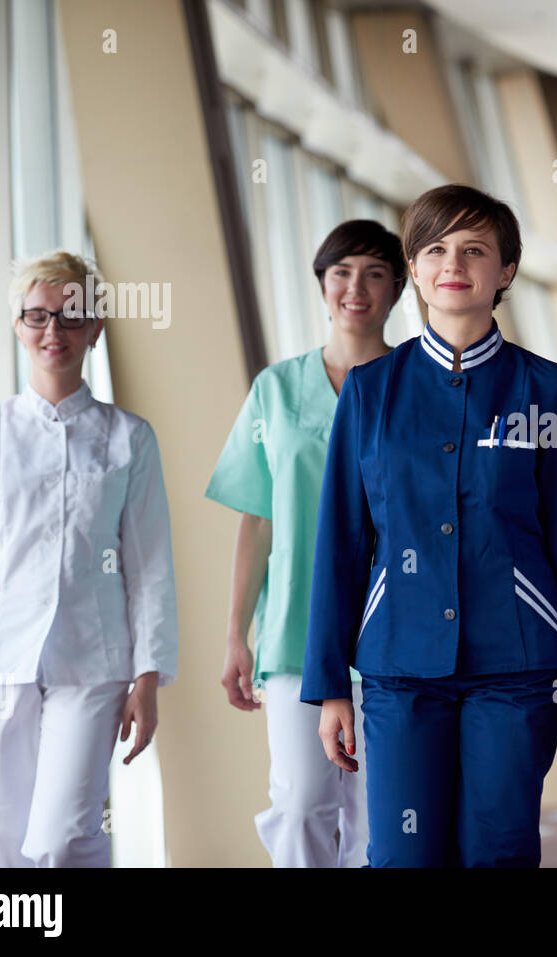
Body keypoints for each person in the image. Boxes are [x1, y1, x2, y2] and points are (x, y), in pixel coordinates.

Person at [301, 184, 557, 867]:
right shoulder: (371, 390)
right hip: (399, 668)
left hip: (519, 665)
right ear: (414, 267)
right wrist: (329, 686)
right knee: (404, 853)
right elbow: (342, 543)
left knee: (496, 851)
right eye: (435, 248)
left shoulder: (550, 391)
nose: (453, 262)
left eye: (475, 249)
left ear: (504, 272)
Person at [0, 251, 178, 867]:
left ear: (95, 328)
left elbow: (151, 567)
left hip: (93, 662)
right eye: (37, 317)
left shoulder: (129, 437)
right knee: (1, 845)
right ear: (17, 325)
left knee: (64, 837)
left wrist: (148, 676)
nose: (52, 332)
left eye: (70, 317)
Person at [206, 220, 405, 867]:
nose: (357, 287)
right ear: (322, 284)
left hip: (397, 627)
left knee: (382, 814)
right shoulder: (277, 389)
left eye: (376, 272)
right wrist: (237, 631)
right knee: (299, 802)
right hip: (297, 628)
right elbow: (258, 519)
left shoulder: (419, 386)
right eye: (343, 271)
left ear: (398, 288)